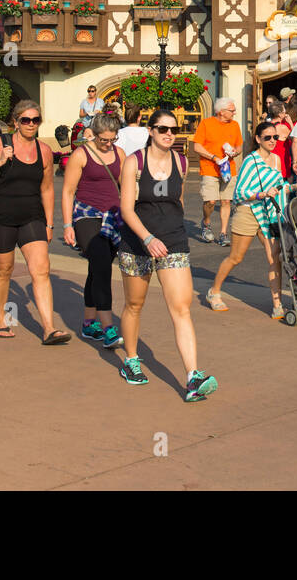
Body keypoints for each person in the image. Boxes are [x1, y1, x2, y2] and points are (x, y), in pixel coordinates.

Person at [116, 108, 217, 400]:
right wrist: (147, 237)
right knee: (134, 304)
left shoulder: (181, 162)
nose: (169, 134)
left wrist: (167, 231)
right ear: (151, 131)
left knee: (182, 308)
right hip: (137, 242)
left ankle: (193, 377)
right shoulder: (134, 162)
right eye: (163, 129)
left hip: (172, 242)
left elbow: (177, 201)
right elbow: (126, 208)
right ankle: (131, 360)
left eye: (174, 129)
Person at [0, 100, 70, 344]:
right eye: (26, 120)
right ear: (16, 122)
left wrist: (49, 224)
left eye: (36, 120)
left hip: (32, 215)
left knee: (41, 269)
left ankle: (49, 328)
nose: (31, 124)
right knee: (4, 268)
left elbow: (47, 188)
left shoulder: (44, 150)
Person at [207, 120, 297, 317]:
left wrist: (293, 187)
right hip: (249, 211)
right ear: (258, 139)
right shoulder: (251, 161)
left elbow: (278, 186)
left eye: (275, 137)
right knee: (236, 257)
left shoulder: (277, 159)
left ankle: (277, 304)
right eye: (267, 137)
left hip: (269, 213)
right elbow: (240, 192)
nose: (272, 141)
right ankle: (214, 291)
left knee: (275, 257)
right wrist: (262, 194)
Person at [61, 112, 125, 349]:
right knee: (102, 267)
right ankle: (108, 327)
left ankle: (89, 323)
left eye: (112, 139)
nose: (108, 144)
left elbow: (125, 185)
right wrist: (67, 225)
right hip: (87, 216)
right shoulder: (81, 154)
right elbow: (68, 191)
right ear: (94, 135)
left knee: (96, 269)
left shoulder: (119, 153)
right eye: (103, 140)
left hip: (113, 217)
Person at [193, 97, 241, 246]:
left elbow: (239, 146)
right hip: (210, 168)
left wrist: (235, 152)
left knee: (226, 201)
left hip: (228, 170)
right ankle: (206, 223)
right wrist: (214, 157)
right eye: (232, 110)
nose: (234, 113)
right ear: (221, 111)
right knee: (211, 201)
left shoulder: (234, 125)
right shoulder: (206, 124)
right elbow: (197, 147)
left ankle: (223, 233)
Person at [268, 100, 294, 179]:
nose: (285, 113)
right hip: (280, 161)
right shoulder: (282, 127)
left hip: (269, 160)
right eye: (284, 111)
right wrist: (290, 123)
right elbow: (295, 138)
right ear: (280, 114)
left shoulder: (267, 126)